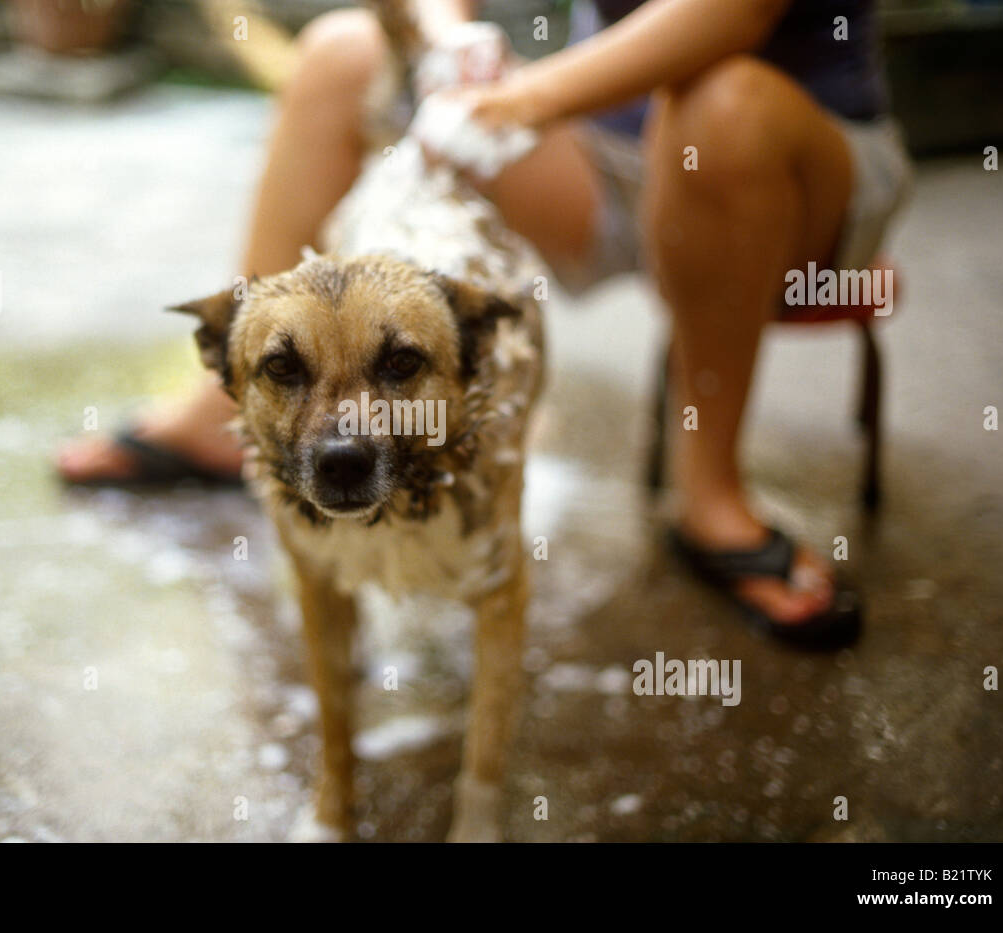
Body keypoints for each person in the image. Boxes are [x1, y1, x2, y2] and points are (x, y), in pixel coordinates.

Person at [55, 0, 911, 646]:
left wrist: (523, 98)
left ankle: (711, 489)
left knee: (723, 103)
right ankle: (229, 400)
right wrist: (447, 43)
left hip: (789, 157)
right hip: (608, 147)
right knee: (345, 54)